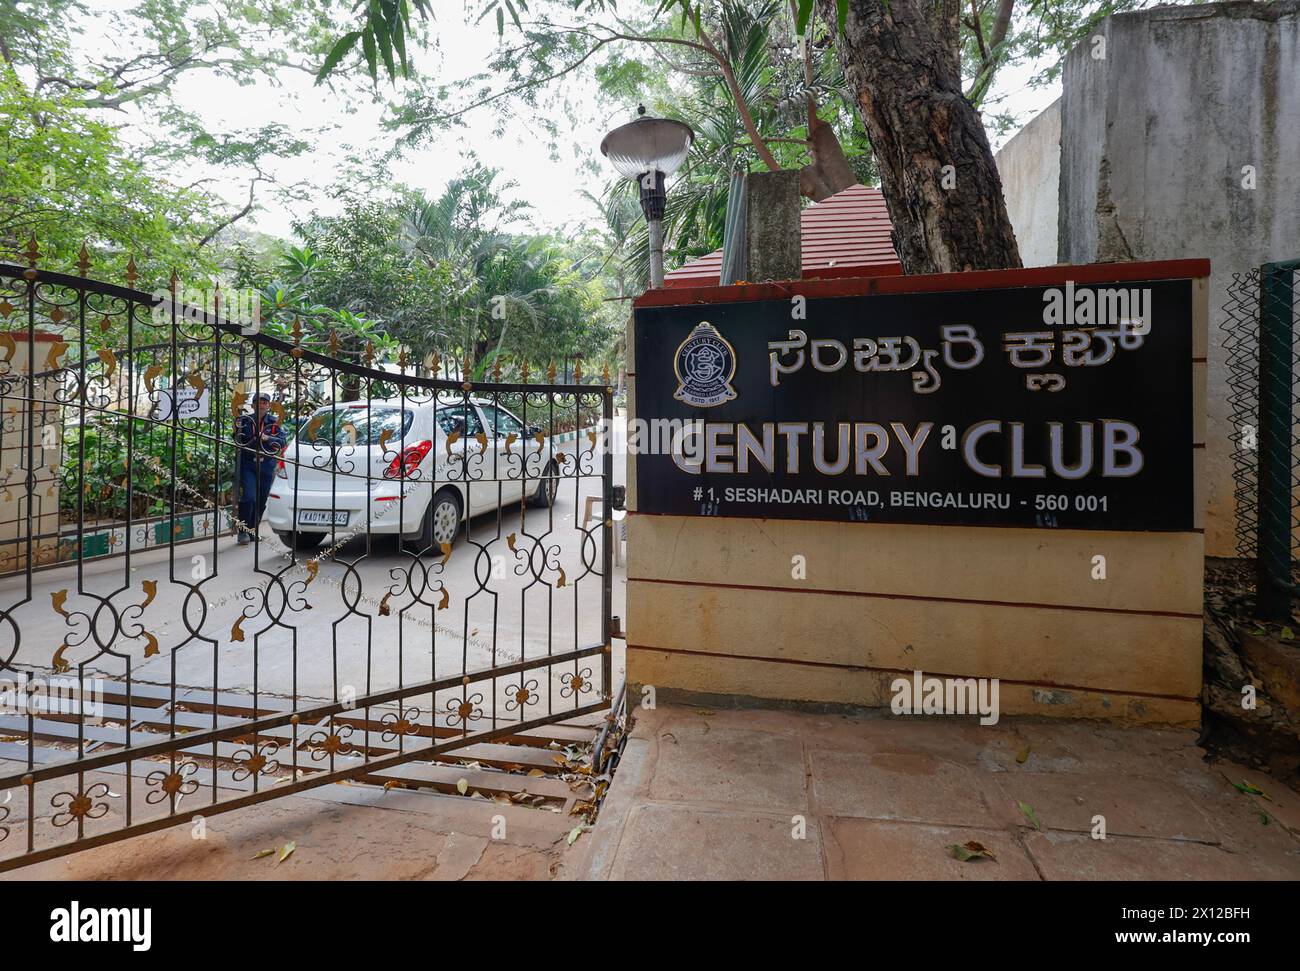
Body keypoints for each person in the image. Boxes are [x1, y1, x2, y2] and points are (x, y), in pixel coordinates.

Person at [234, 392, 286, 544]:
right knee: (249, 497)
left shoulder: (274, 422)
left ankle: (252, 530)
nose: (261, 405)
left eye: (264, 403)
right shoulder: (244, 421)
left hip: (267, 464)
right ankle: (242, 531)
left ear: (268, 406)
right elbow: (237, 441)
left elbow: (282, 442)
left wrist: (268, 438)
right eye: (258, 402)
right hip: (249, 463)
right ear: (253, 405)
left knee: (261, 500)